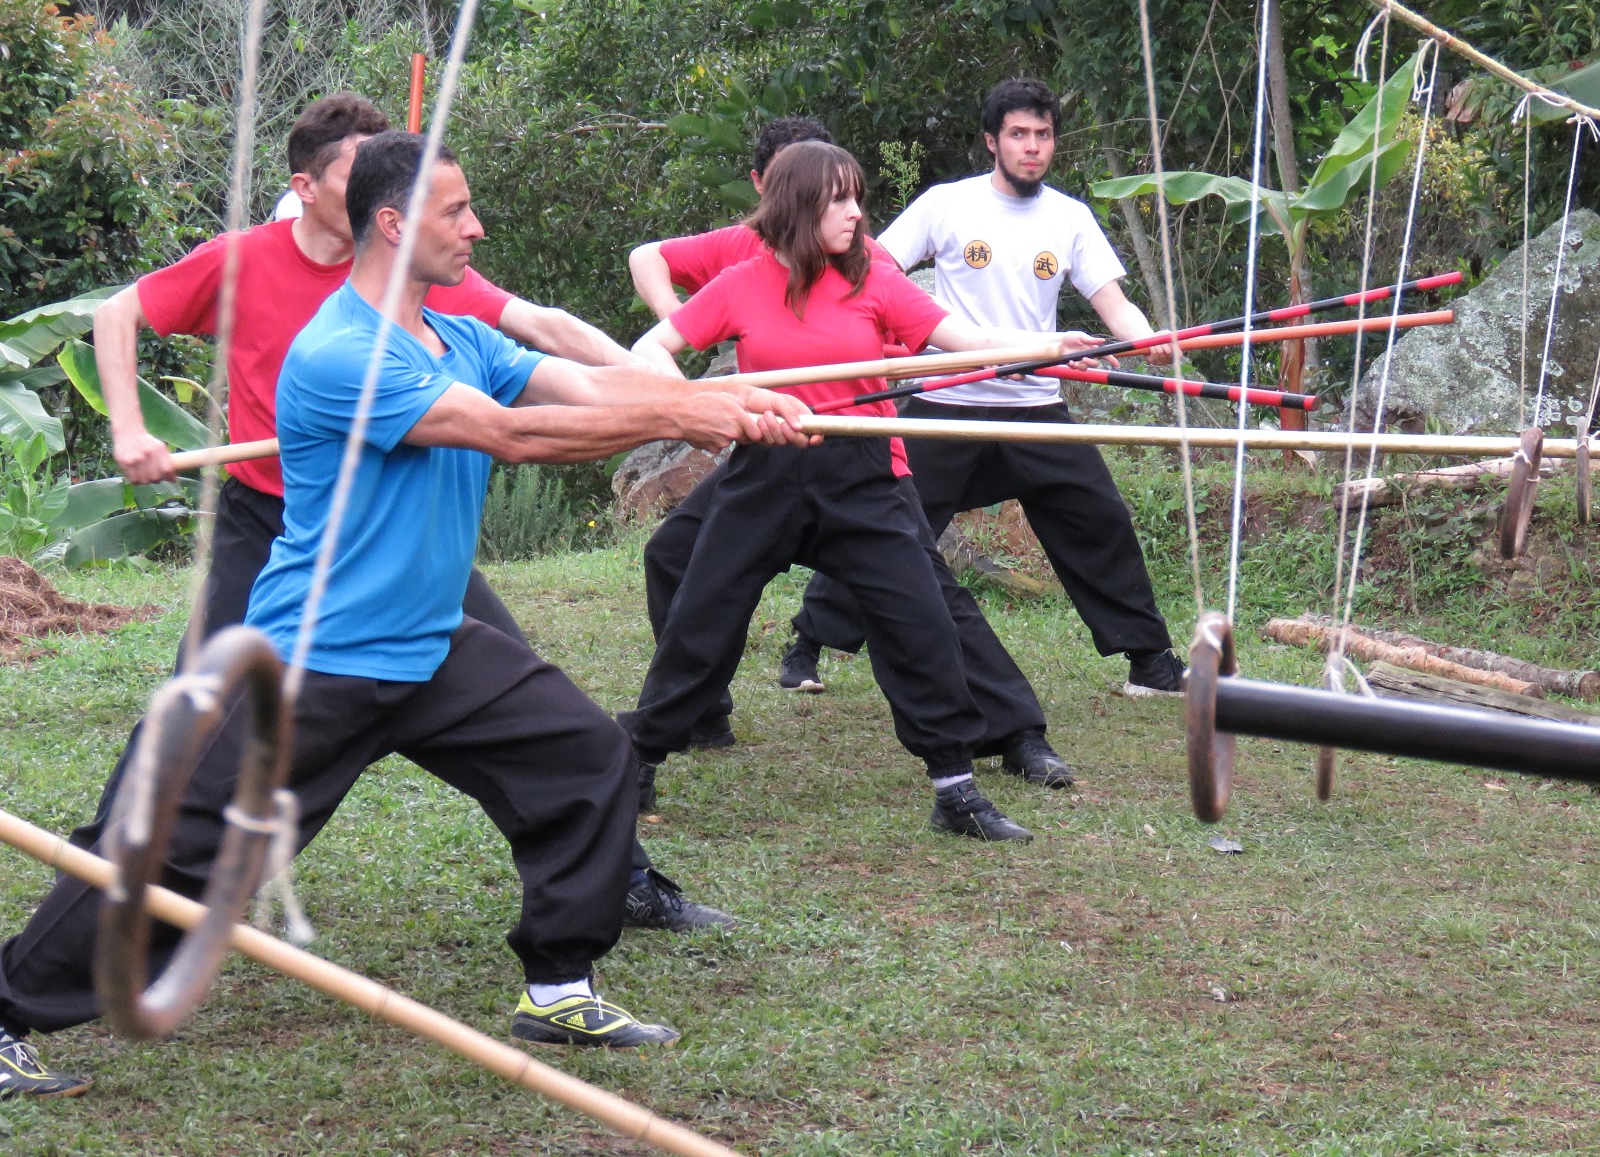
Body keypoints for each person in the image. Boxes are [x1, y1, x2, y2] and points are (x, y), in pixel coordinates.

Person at [0, 132, 816, 1097]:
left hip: (430, 646)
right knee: (172, 859)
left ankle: (559, 985)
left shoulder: (455, 334)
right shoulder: (341, 352)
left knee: (588, 759)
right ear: (392, 224)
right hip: (315, 660)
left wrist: (723, 395)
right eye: (455, 212)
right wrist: (687, 420)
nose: (475, 228)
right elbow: (509, 436)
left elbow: (584, 386)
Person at [87, 94, 719, 939]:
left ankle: (624, 882)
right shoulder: (245, 263)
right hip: (271, 526)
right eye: (361, 178)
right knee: (200, 719)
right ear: (310, 189)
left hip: (394, 530)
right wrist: (129, 428)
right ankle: (107, 873)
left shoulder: (419, 280)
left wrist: (673, 392)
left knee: (527, 709)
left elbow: (537, 327)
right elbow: (116, 312)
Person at [618, 139, 1103, 847]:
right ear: (797, 207)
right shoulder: (742, 282)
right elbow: (652, 348)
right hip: (766, 472)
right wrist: (697, 398)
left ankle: (955, 790)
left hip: (863, 476)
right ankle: (637, 758)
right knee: (703, 618)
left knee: (922, 625)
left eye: (856, 197)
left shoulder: (873, 278)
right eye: (838, 200)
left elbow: (961, 340)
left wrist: (1049, 347)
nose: (855, 213)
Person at [783, 79, 1186, 699]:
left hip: (1036, 409)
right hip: (947, 407)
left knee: (1100, 521)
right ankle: (807, 646)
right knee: (889, 522)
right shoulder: (947, 205)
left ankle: (1151, 664)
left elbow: (1114, 303)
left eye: (1043, 135)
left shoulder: (1070, 217)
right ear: (991, 141)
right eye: (1019, 135)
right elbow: (872, 270)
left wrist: (1148, 340)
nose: (1032, 148)